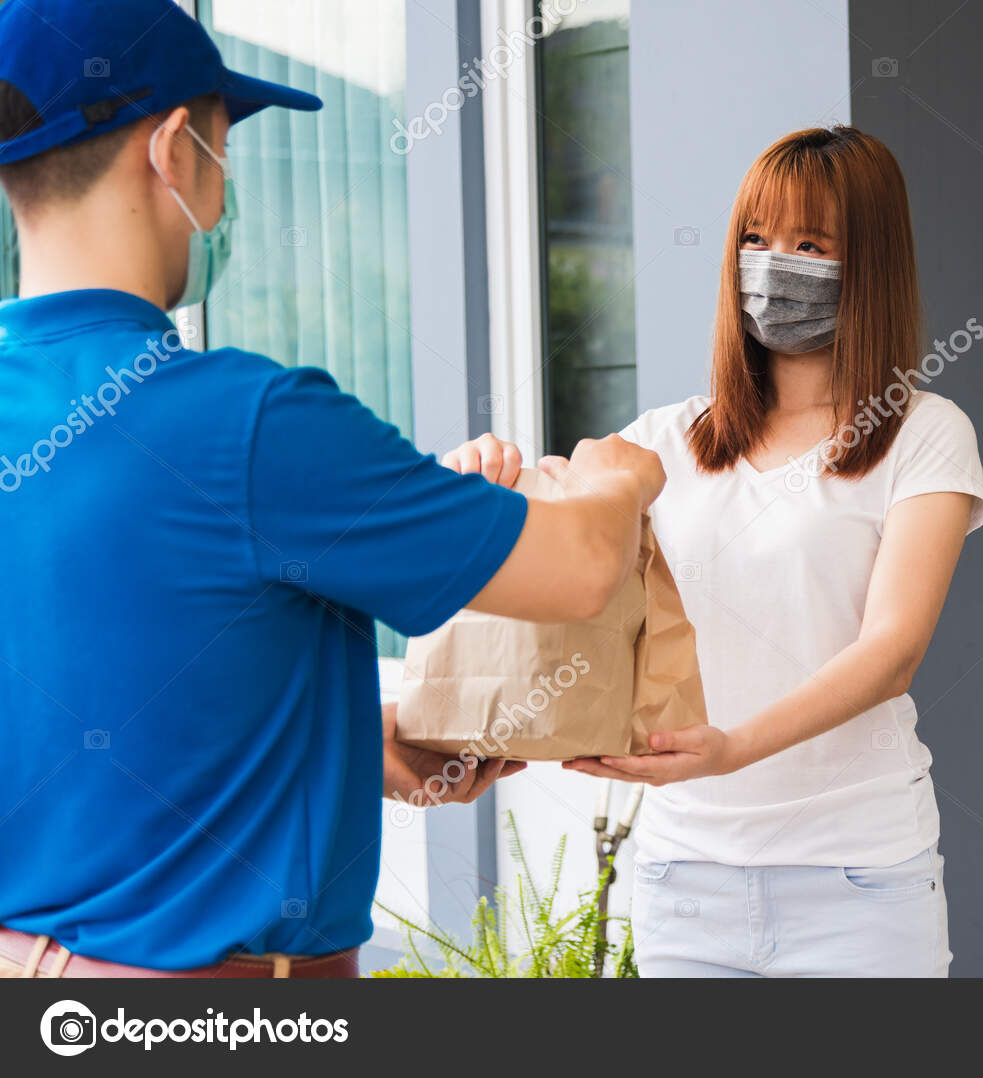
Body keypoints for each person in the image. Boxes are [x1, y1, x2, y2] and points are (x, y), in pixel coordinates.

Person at [0, 0, 662, 979]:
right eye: (224, 153)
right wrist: (621, 475)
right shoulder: (253, 423)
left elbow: (128, 661)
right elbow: (578, 571)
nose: (222, 192)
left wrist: (366, 746)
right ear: (174, 150)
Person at [454, 126, 983, 976]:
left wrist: (732, 747)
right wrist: (481, 486)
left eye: (809, 243)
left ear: (871, 262)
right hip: (685, 880)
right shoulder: (664, 441)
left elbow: (893, 651)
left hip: (857, 883)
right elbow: (554, 560)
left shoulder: (924, 435)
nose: (774, 265)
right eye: (755, 239)